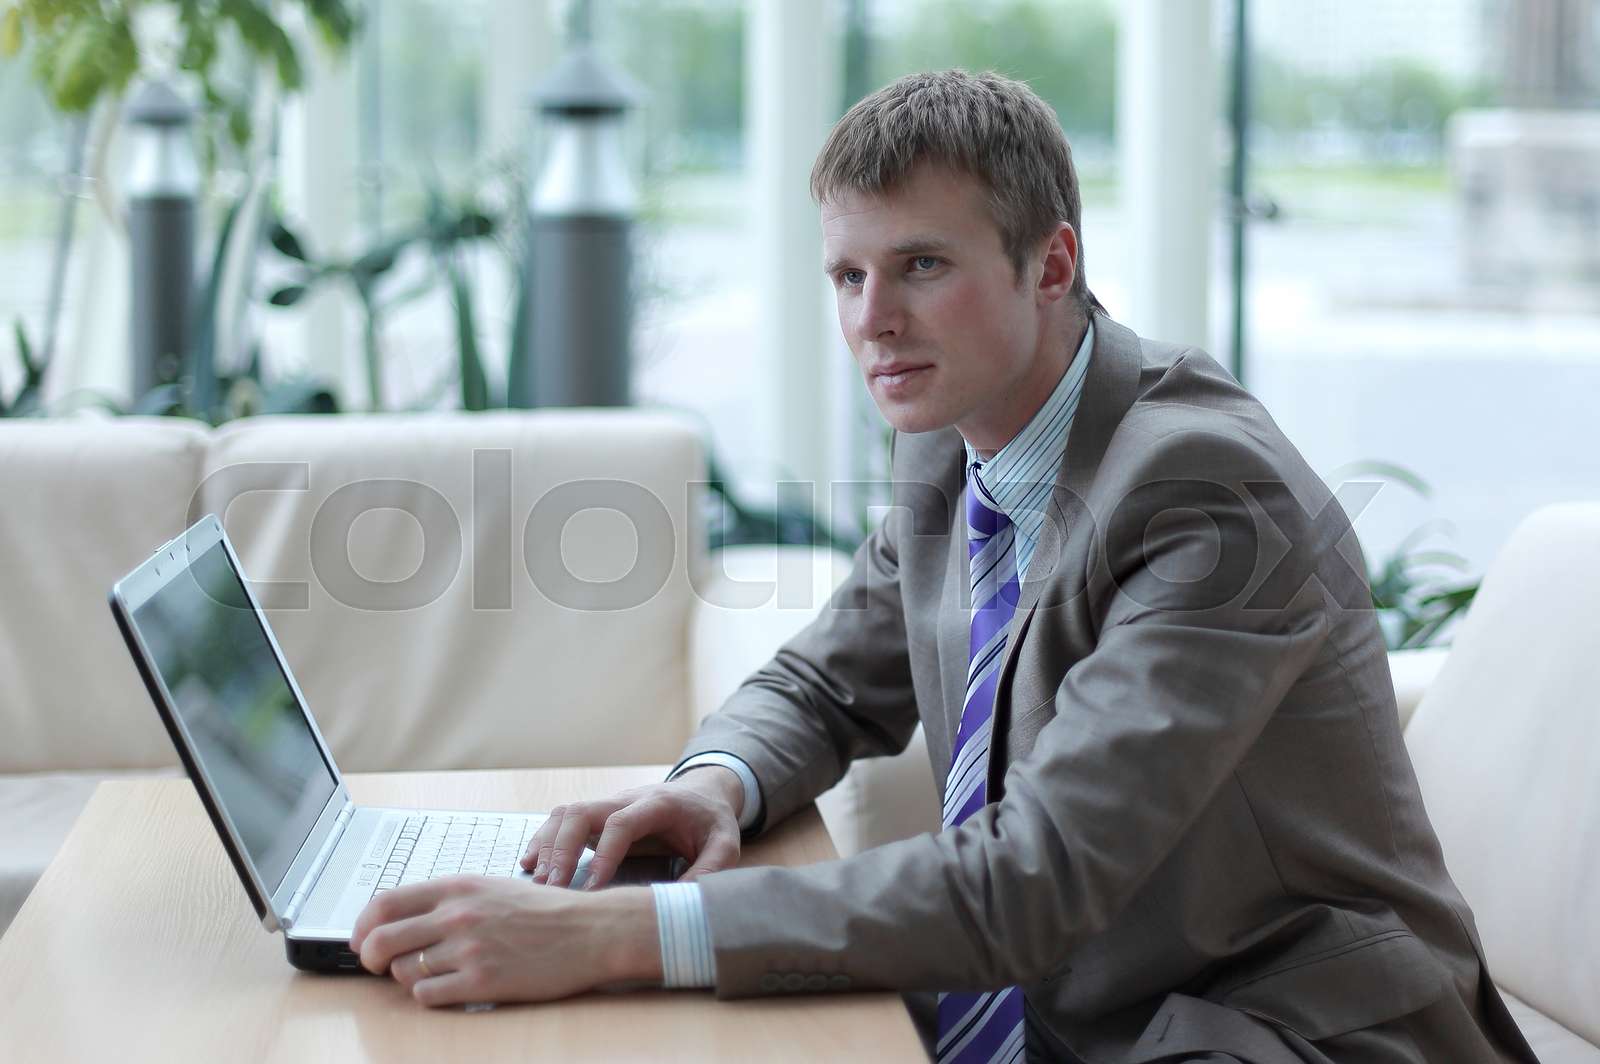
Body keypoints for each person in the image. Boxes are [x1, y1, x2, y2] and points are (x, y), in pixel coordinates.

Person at [351, 70, 1537, 1063]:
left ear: (1051, 263)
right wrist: (714, 782)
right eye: (847, 276)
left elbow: (1036, 878)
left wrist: (614, 932)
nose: (873, 319)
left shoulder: (1204, 492)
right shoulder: (952, 441)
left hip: (1281, 1028)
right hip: (1084, 1006)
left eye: (921, 265)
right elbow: (821, 682)